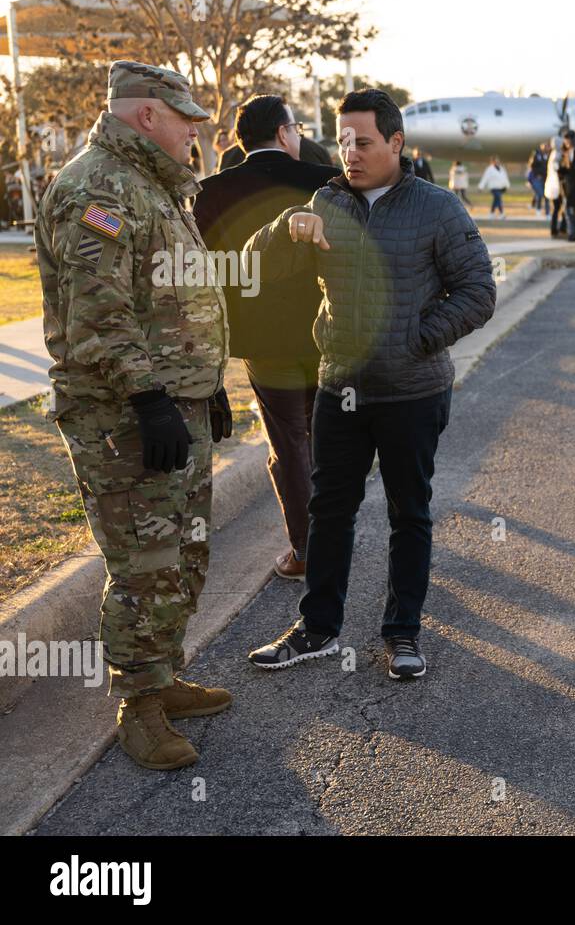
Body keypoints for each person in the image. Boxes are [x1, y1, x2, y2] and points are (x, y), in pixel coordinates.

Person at [244, 89, 496, 680]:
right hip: (340, 389)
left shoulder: (438, 207)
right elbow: (259, 263)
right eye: (344, 141)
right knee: (330, 510)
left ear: (396, 143)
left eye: (364, 141)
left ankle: (402, 635)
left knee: (410, 512)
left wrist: (416, 338)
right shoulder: (324, 202)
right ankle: (317, 630)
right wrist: (287, 228)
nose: (351, 153)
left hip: (414, 390)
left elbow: (479, 291)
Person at [36, 61, 232, 770]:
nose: (195, 133)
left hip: (173, 403)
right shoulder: (96, 186)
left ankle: (163, 676)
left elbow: (173, 297)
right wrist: (151, 399)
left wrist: (204, 385)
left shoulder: (154, 185)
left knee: (185, 551)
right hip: (120, 416)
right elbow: (100, 315)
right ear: (147, 113)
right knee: (144, 563)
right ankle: (139, 708)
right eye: (187, 119)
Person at [193, 94, 338, 582]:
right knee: (327, 438)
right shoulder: (326, 184)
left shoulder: (209, 193)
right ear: (283, 133)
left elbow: (202, 276)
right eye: (295, 129)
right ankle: (333, 539)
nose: (298, 136)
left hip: (259, 341)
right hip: (326, 332)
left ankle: (304, 548)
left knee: (289, 443)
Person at [545, 135, 565, 237]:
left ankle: (557, 229)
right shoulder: (557, 154)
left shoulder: (553, 154)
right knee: (558, 208)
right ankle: (556, 230)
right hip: (556, 186)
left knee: (557, 208)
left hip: (553, 185)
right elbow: (557, 168)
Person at [527, 142, 548, 216]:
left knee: (543, 195)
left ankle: (546, 212)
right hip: (537, 178)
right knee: (539, 194)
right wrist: (537, 175)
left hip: (545, 178)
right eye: (544, 146)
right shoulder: (536, 154)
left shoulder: (547, 155)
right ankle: (538, 210)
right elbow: (532, 165)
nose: (545, 148)